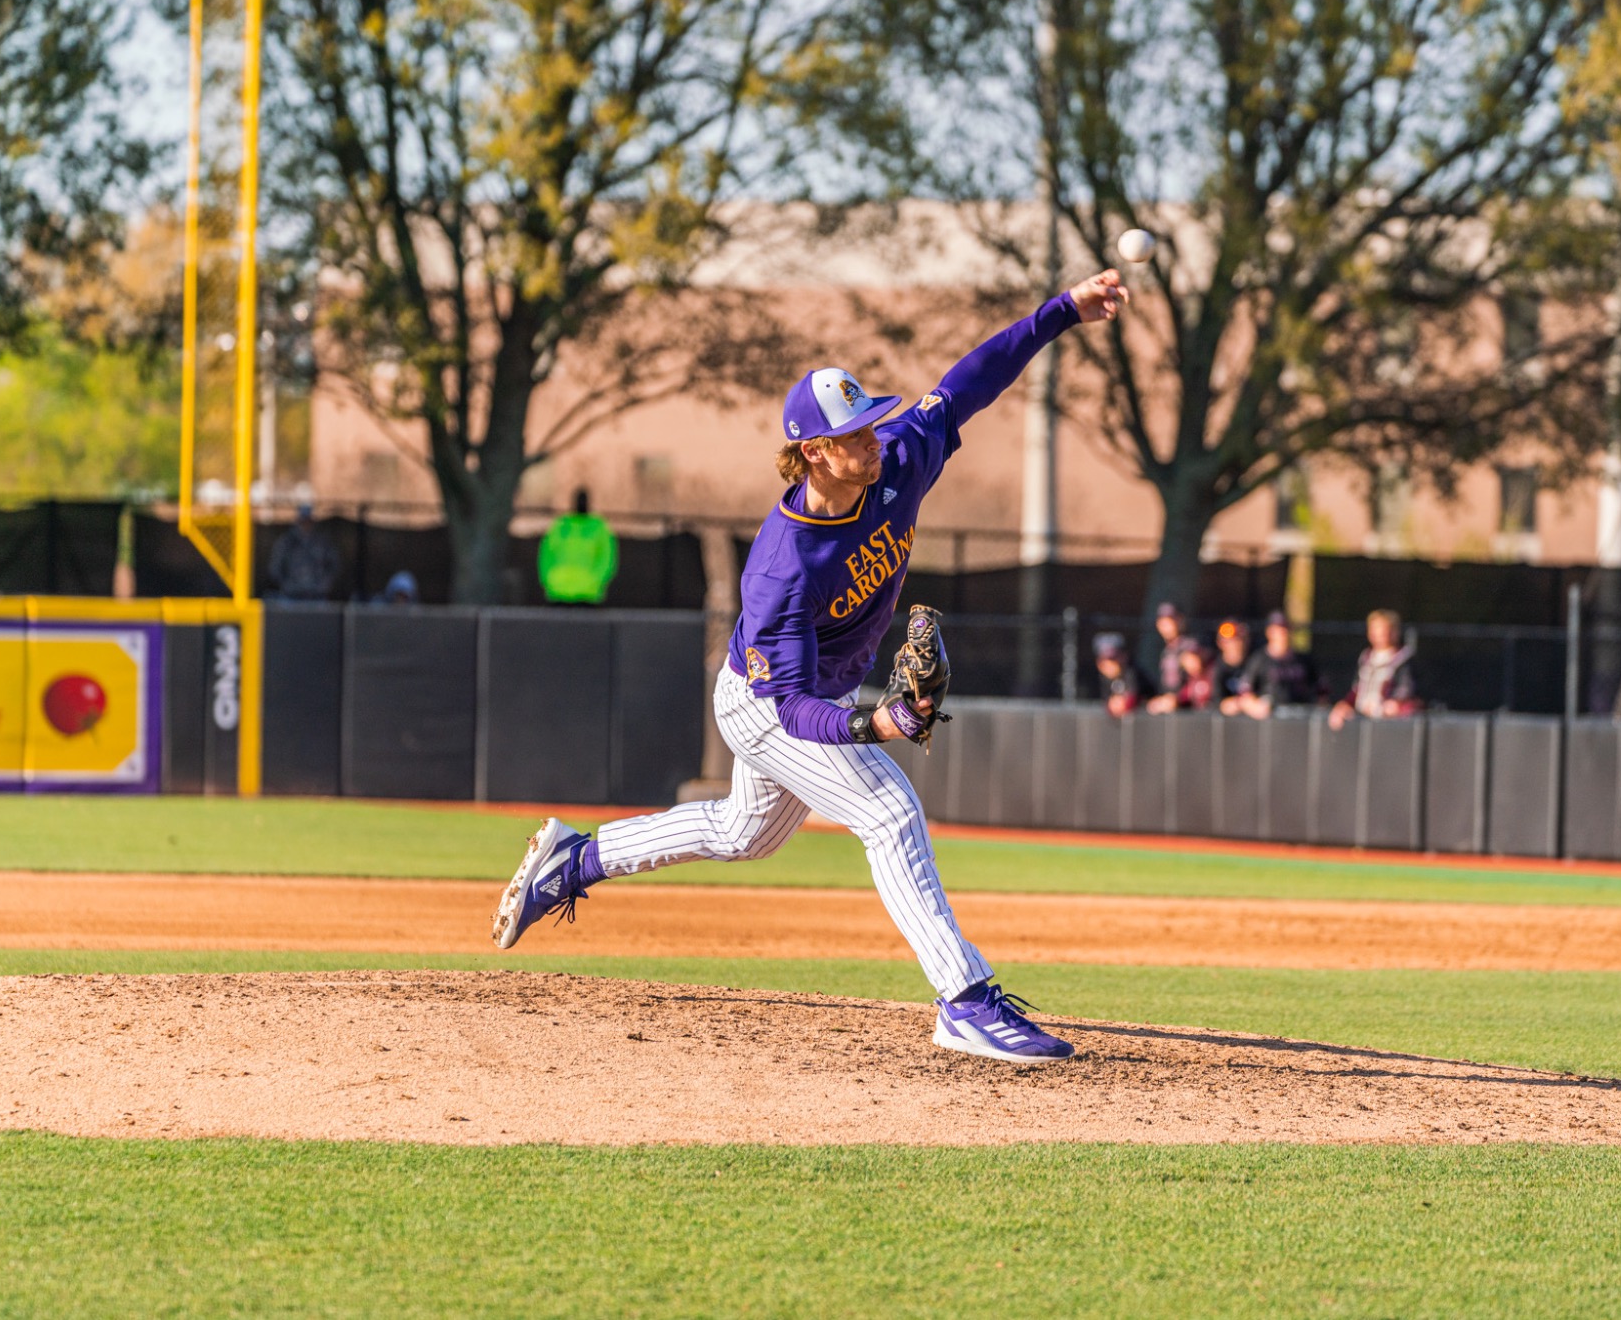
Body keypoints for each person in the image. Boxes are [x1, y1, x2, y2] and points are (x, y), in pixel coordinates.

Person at [491, 269, 1129, 1064]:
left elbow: (968, 381)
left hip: (811, 694)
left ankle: (575, 860)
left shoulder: (896, 463)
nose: (874, 437)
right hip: (768, 704)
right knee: (888, 813)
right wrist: (875, 723)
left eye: (870, 425)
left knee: (741, 833)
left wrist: (1062, 311)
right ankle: (964, 1000)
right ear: (815, 452)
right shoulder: (782, 568)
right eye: (855, 433)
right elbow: (791, 708)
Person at [1224, 610, 1326, 718]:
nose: (1283, 634)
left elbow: (1321, 689)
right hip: (1272, 721)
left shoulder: (1303, 659)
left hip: (1300, 718)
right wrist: (1255, 706)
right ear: (1269, 632)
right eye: (1278, 630)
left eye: (1285, 629)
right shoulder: (1259, 659)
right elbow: (1244, 693)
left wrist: (1320, 708)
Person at [1329, 609, 1420, 729]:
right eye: (1375, 629)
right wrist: (1345, 705)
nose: (1380, 634)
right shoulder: (1366, 658)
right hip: (1363, 721)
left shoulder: (1404, 659)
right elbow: (1357, 689)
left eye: (1384, 629)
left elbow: (1405, 693)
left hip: (1390, 725)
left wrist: (1392, 706)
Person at [538, 488, 619, 604]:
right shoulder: (561, 525)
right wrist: (549, 580)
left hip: (587, 594)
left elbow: (607, 558)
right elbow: (546, 555)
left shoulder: (597, 527)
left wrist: (597, 581)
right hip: (559, 592)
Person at [267, 502, 341, 600]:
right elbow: (275, 567)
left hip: (317, 595)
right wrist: (286, 584)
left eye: (308, 521)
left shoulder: (323, 542)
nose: (306, 525)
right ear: (297, 521)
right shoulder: (286, 542)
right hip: (291, 595)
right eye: (303, 521)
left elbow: (335, 565)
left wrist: (325, 583)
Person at [1094, 632, 1153, 718]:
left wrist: (1125, 703)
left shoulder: (1132, 673)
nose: (1110, 665)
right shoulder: (1104, 679)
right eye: (1105, 661)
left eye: (1113, 659)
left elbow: (1133, 699)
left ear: (1124, 656)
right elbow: (1106, 701)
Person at [1161, 638, 1217, 712]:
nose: (1190, 665)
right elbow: (1182, 697)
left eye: (1192, 660)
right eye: (1186, 663)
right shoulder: (1189, 679)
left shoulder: (1213, 672)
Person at [1211, 620, 1252, 704]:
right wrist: (1239, 703)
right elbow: (1216, 701)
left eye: (1238, 640)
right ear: (1220, 643)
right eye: (1229, 642)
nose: (1234, 645)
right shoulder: (1215, 669)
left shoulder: (1255, 663)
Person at [1151, 602, 1186, 698]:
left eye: (1170, 622)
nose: (1166, 626)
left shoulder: (1189, 647)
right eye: (1163, 623)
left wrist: (1178, 698)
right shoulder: (1165, 650)